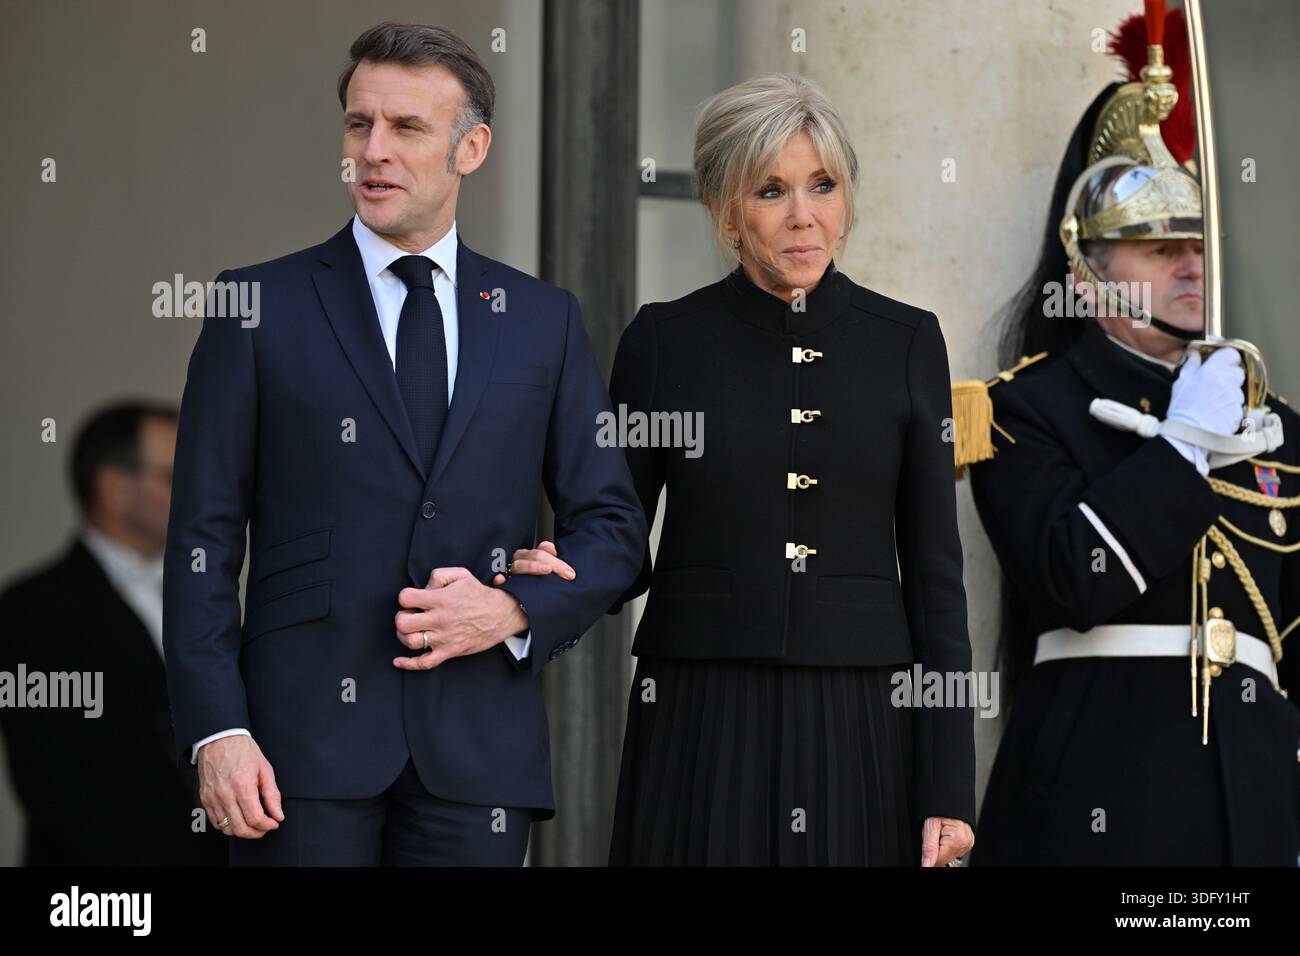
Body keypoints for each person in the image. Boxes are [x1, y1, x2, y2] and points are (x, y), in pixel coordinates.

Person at [163, 22, 646, 866]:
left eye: (406, 128)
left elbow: (613, 530)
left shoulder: (542, 320)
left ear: (472, 148)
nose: (372, 151)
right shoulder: (256, 306)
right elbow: (201, 540)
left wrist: (514, 611)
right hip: (293, 758)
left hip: (479, 759)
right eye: (359, 125)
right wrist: (217, 729)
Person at [510, 72, 976, 866]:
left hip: (860, 711)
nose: (804, 215)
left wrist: (949, 787)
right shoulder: (663, 342)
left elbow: (936, 576)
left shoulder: (907, 342)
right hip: (699, 706)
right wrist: (555, 575)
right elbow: (615, 532)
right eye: (771, 190)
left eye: (822, 185)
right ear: (725, 210)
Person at [964, 9, 1300, 865]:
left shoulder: (1280, 426)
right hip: (1098, 793)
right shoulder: (1023, 408)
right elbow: (1078, 577)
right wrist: (1181, 442)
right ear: (1090, 266)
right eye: (1157, 244)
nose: (1192, 263)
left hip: (1254, 807)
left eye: (1200, 241)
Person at [0, 402, 225, 865]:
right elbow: (50, 783)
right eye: (172, 475)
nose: (195, 490)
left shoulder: (210, 596)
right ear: (114, 488)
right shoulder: (35, 608)